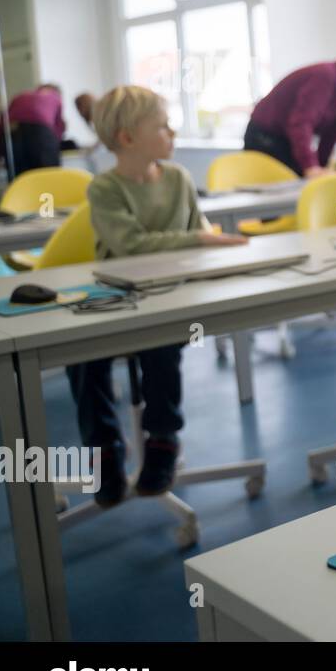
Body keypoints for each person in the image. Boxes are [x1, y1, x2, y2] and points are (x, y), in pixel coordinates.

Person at [71, 85, 247, 507]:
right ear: (129, 138)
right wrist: (197, 240)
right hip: (114, 298)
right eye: (163, 127)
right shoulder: (104, 189)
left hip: (170, 296)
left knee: (164, 343)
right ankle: (104, 449)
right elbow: (132, 245)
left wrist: (200, 242)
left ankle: (163, 438)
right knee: (82, 355)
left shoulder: (179, 179)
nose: (172, 133)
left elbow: (194, 236)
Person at [244, 48, 336, 177]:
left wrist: (321, 167)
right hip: (264, 136)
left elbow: (331, 134)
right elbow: (301, 124)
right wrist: (311, 166)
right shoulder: (325, 76)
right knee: (287, 184)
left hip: (287, 138)